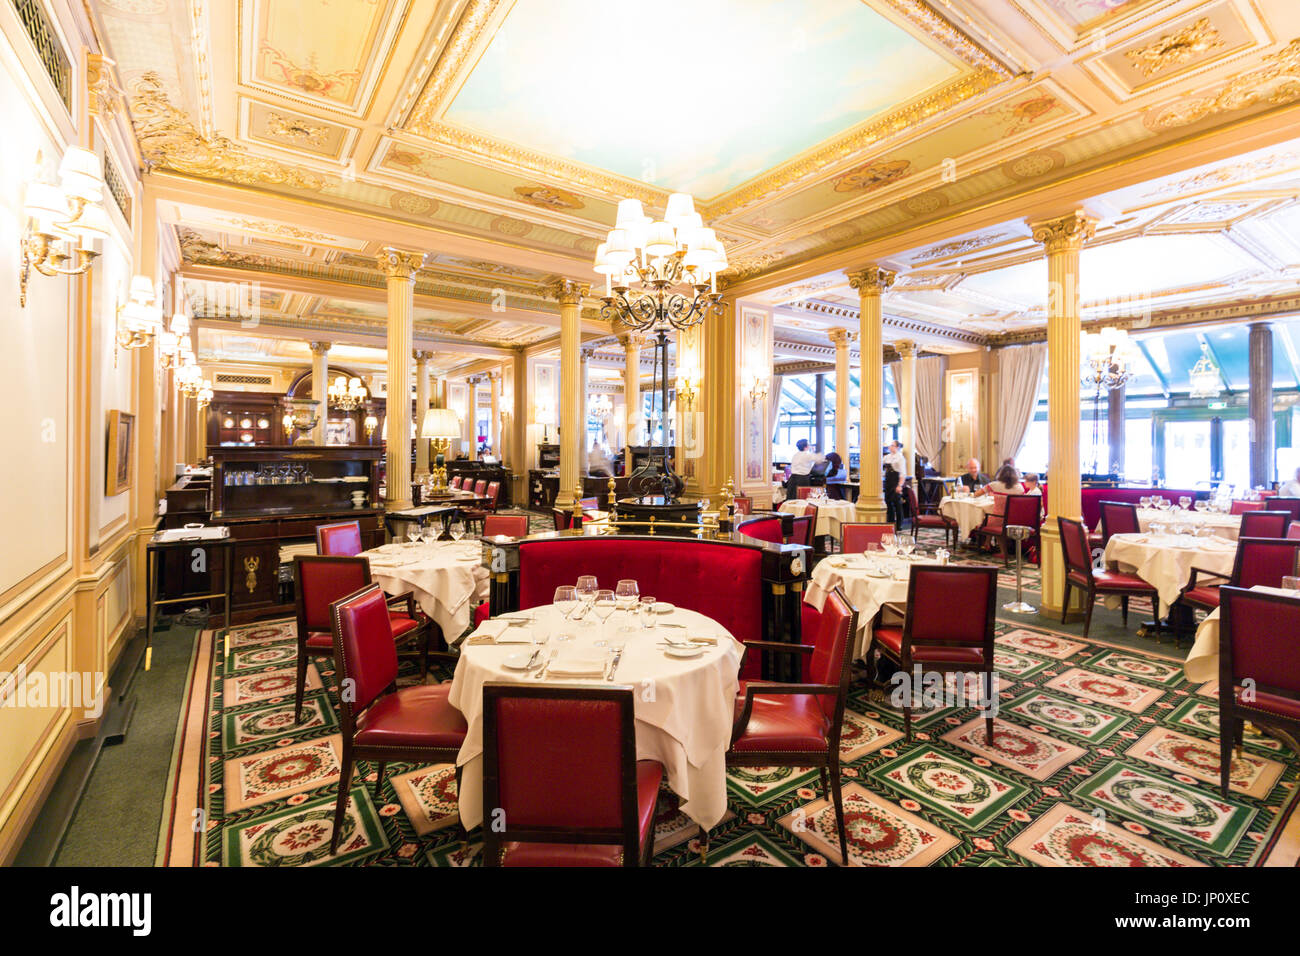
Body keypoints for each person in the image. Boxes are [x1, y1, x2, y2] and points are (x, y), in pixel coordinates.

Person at [883, 441, 906, 524]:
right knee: (888, 502)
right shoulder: (887, 457)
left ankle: (900, 523)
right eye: (890, 445)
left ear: (897, 447)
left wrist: (900, 485)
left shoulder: (900, 457)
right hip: (888, 481)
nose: (890, 447)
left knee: (897, 503)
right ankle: (890, 522)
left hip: (895, 480)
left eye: (892, 445)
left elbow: (902, 473)